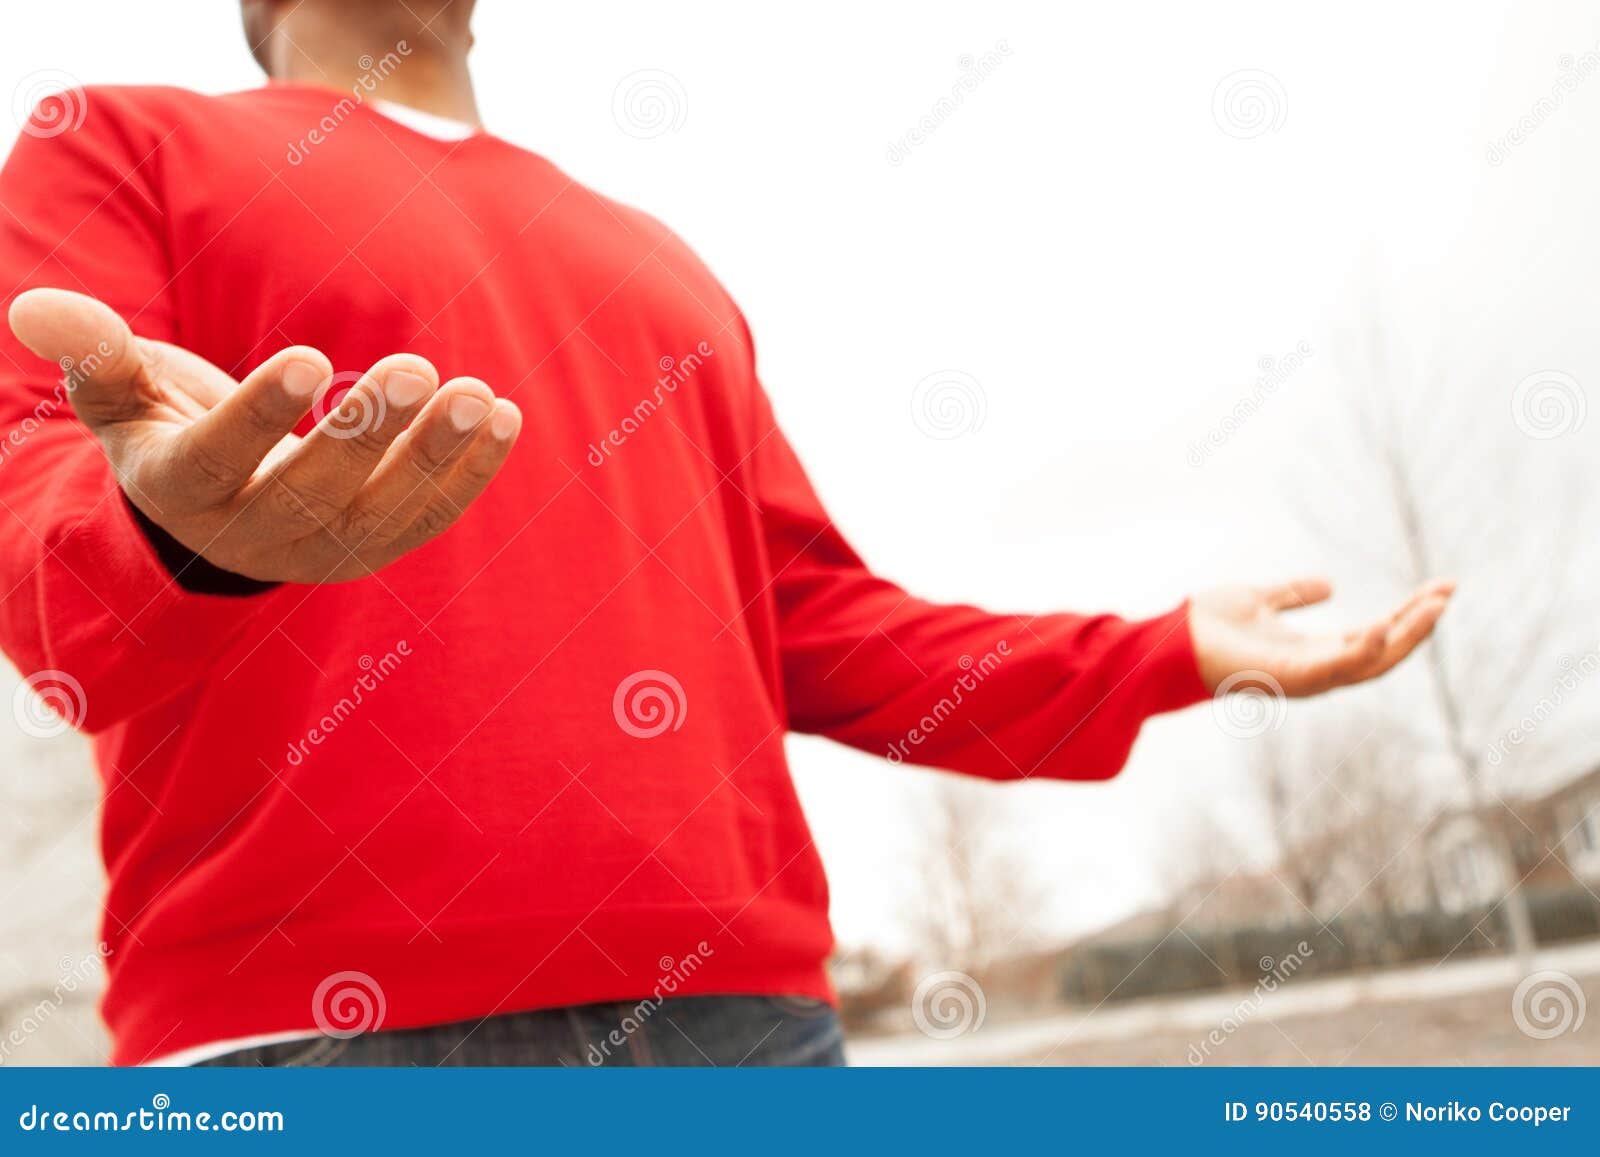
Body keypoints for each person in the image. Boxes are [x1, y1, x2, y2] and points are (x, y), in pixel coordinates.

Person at [0, 0, 1452, 1067]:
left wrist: (1164, 650)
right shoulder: (122, 146)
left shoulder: (660, 263)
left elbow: (813, 619)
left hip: (739, 1027)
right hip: (302, 1036)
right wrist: (165, 527)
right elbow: (35, 501)